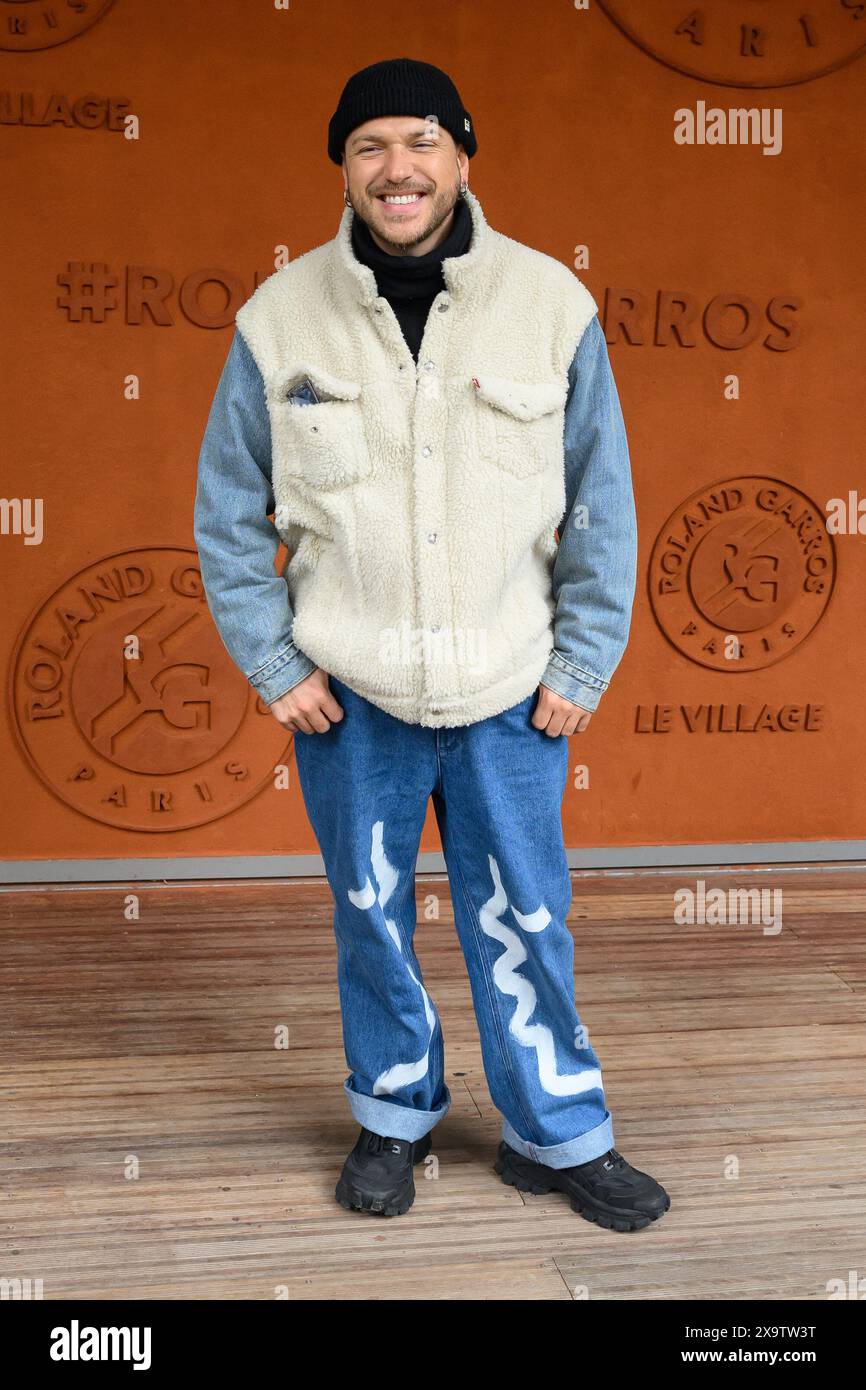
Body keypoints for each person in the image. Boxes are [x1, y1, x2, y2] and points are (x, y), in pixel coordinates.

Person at [194, 57, 670, 1231]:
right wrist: (275, 662)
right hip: (350, 694)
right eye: (367, 147)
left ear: (460, 155)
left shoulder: (550, 303)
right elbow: (223, 508)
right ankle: (391, 1115)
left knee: (525, 914)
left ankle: (554, 1133)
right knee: (370, 910)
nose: (394, 168)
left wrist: (579, 662)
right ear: (343, 169)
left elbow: (599, 499)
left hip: (510, 688)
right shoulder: (278, 317)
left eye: (418, 141)